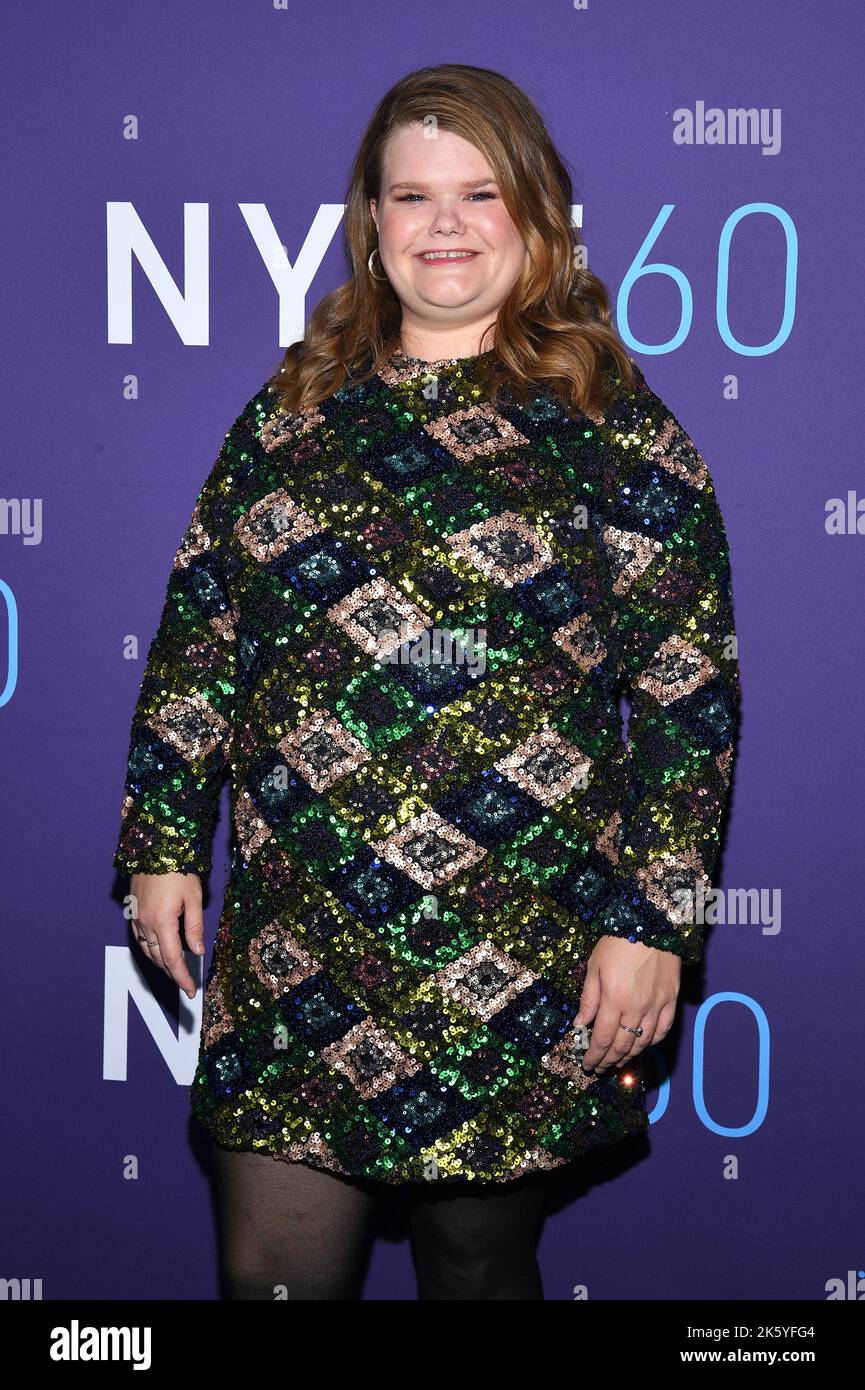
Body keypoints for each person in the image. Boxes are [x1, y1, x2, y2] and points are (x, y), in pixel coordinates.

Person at [113, 62, 741, 1301]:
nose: (443, 226)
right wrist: (162, 841)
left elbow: (686, 694)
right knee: (269, 1277)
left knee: (476, 1267)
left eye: (479, 193)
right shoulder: (288, 414)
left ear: (537, 217)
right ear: (373, 222)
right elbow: (200, 637)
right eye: (412, 195)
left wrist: (652, 920)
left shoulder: (615, 423)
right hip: (303, 938)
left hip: (514, 941)